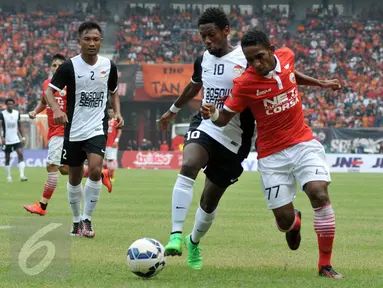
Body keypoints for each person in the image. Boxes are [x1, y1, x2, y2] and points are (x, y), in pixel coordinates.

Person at [200, 28, 343, 278]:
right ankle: (294, 222)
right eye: (250, 60)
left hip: (303, 143)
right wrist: (211, 113)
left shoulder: (287, 56)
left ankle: (325, 265)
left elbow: (288, 74)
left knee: (318, 193)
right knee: (284, 221)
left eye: (260, 57)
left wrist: (319, 83)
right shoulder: (244, 83)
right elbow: (223, 119)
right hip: (271, 156)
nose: (256, 64)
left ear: (272, 50)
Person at [157, 8, 256, 270]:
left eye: (211, 35)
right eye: (203, 36)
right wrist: (172, 111)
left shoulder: (246, 59)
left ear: (226, 31)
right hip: (205, 125)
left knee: (209, 202)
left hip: (236, 137)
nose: (207, 41)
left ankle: (193, 241)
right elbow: (194, 85)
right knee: (189, 164)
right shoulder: (203, 59)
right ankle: (175, 235)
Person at [44, 21, 124, 238]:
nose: (91, 43)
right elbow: (49, 93)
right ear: (79, 41)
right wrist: (56, 110)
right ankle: (76, 221)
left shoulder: (109, 66)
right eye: (87, 39)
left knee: (96, 170)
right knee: (74, 177)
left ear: (100, 41)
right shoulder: (68, 67)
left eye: (96, 39)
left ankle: (87, 220)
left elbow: (114, 91)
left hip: (97, 127)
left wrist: (117, 112)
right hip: (73, 129)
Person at [24, 54, 112, 216]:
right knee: (66, 169)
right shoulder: (47, 85)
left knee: (52, 166)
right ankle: (100, 173)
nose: (56, 68)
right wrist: (35, 112)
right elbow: (44, 101)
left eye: (59, 65)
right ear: (50, 68)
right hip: (53, 131)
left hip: (64, 131)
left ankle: (42, 205)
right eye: (54, 65)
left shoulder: (72, 84)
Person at [0, 98, 27, 182]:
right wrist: (1, 138)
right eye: (8, 104)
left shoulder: (17, 113)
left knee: (20, 154)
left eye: (11, 104)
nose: (10, 105)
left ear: (14, 105)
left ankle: (22, 175)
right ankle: (9, 176)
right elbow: (0, 126)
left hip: (16, 139)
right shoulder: (2, 114)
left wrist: (23, 137)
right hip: (6, 140)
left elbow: (19, 126)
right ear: (6, 105)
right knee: (7, 158)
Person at [105, 107, 121, 182]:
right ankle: (106, 176)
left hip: (112, 144)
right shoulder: (104, 121)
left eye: (112, 112)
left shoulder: (116, 121)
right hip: (104, 144)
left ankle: (111, 177)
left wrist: (116, 140)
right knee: (103, 162)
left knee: (110, 160)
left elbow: (119, 131)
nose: (110, 113)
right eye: (109, 112)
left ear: (114, 113)